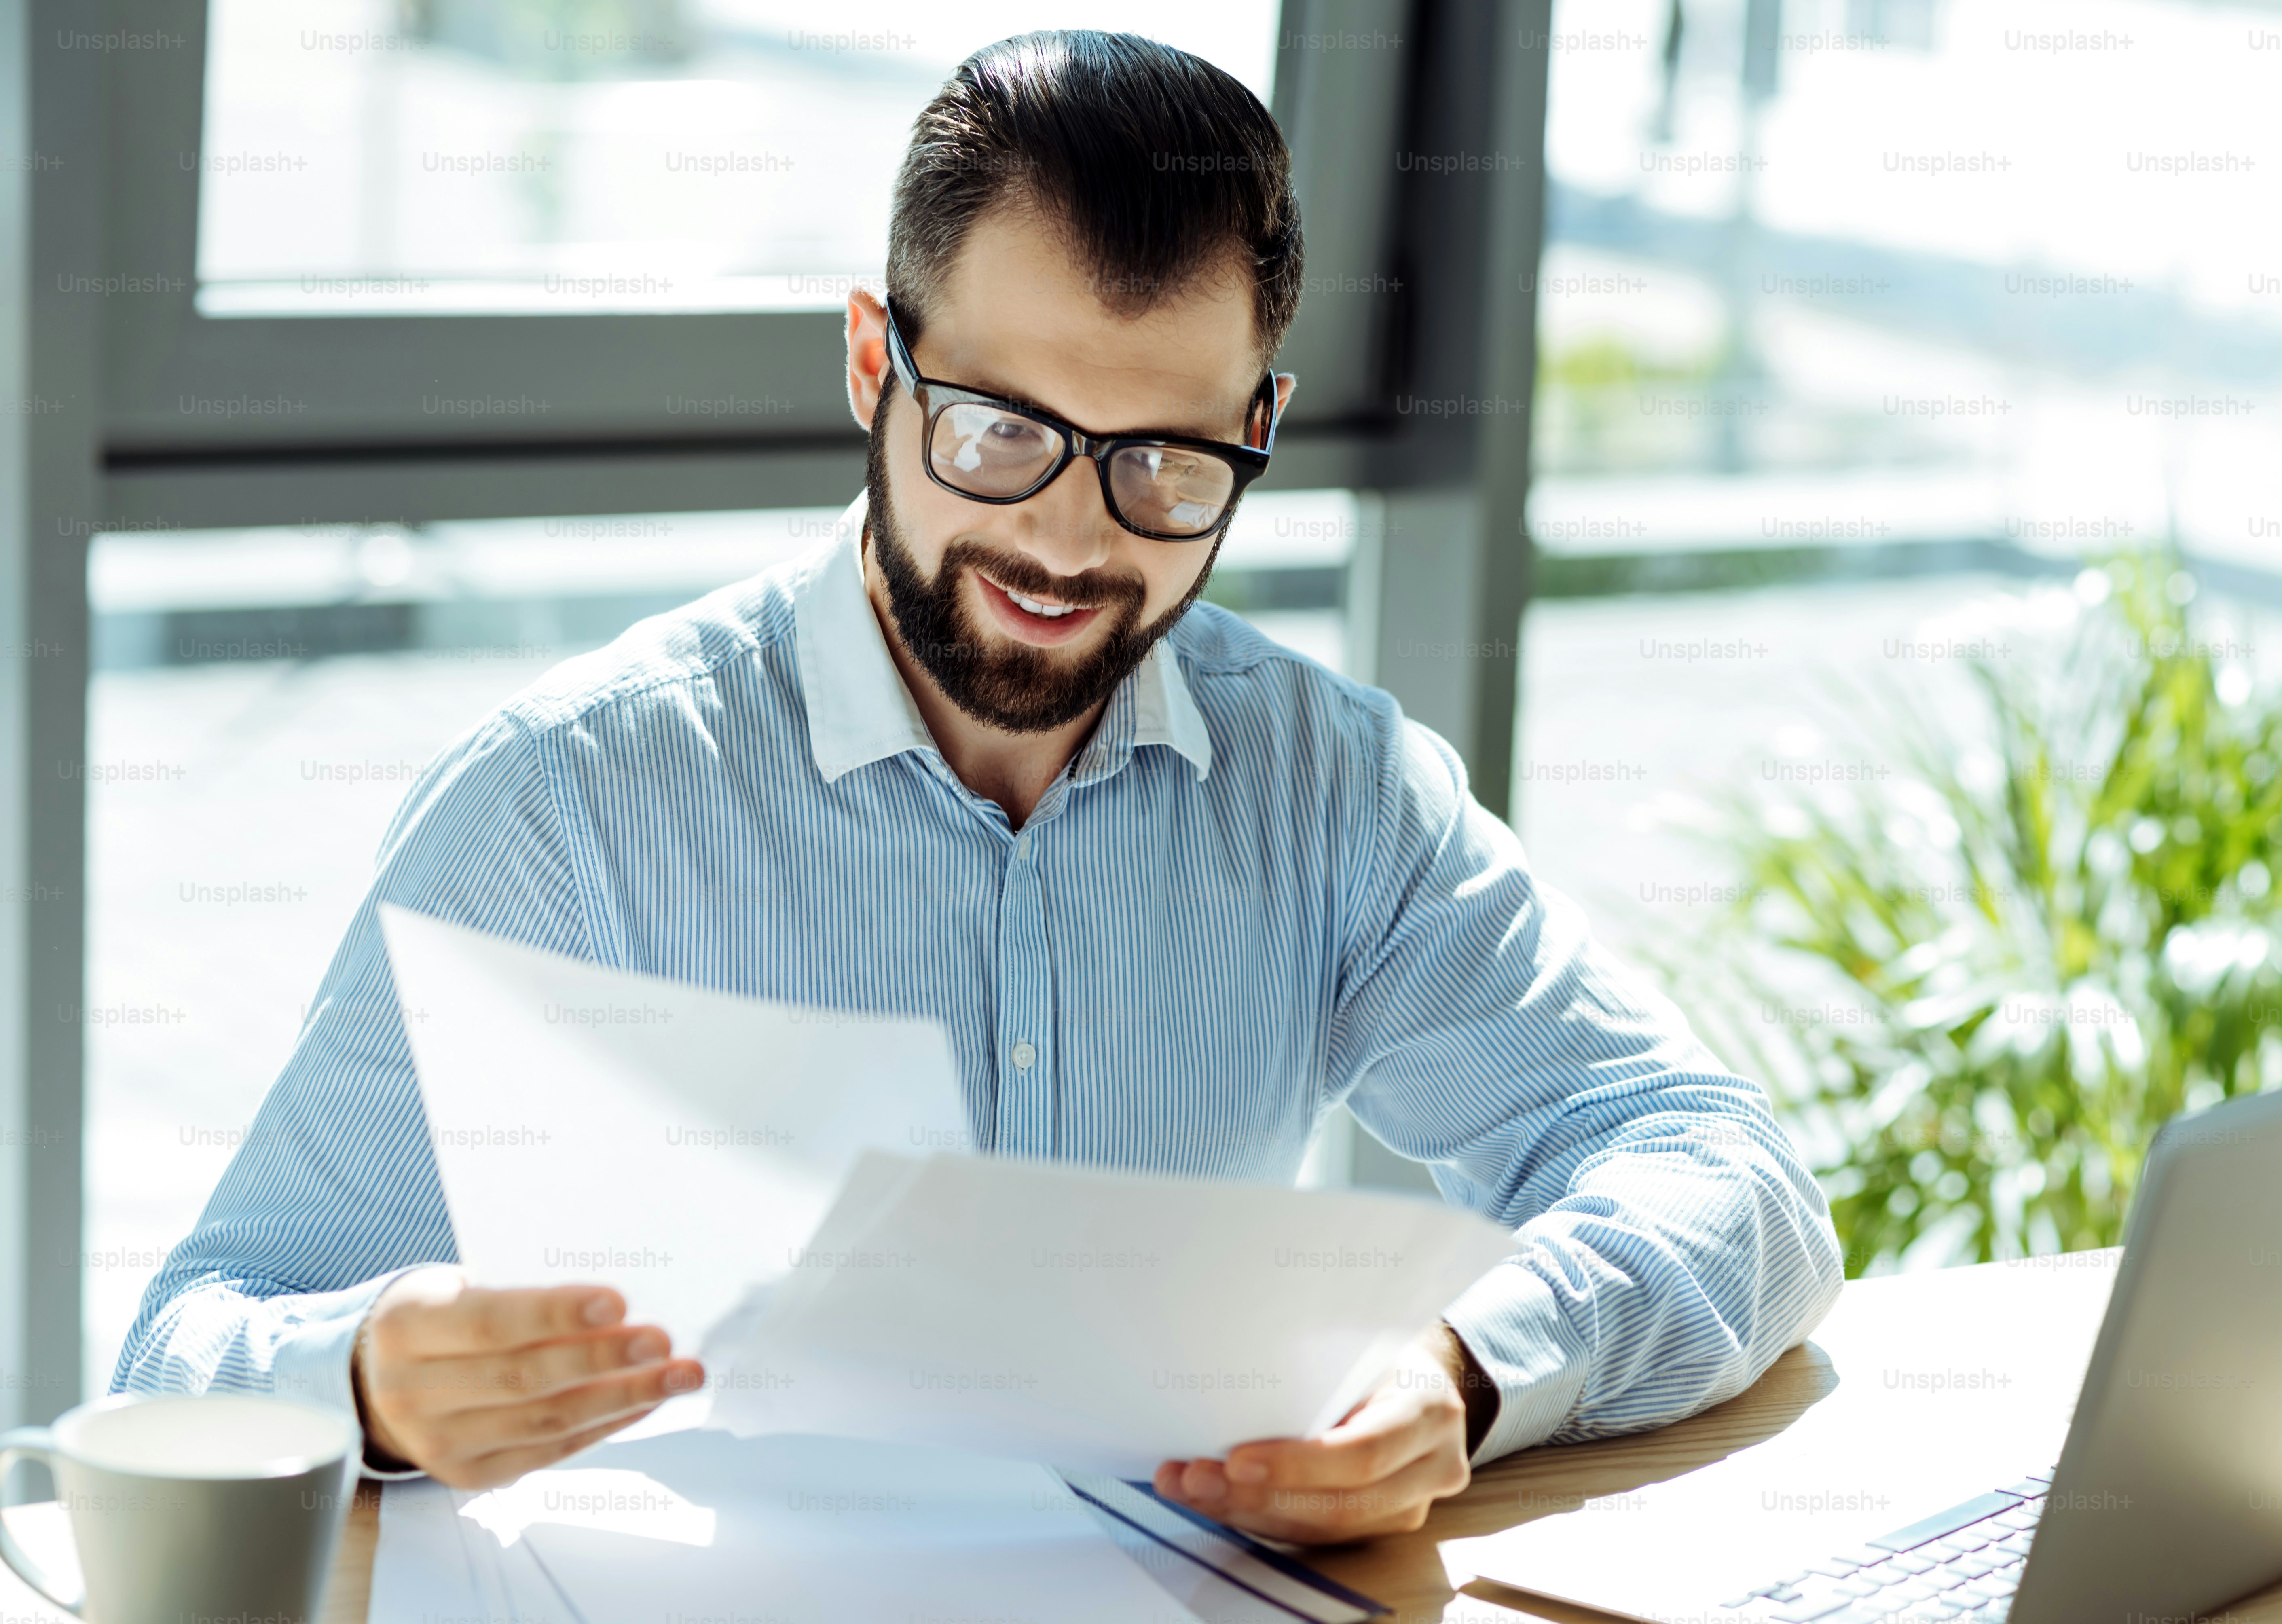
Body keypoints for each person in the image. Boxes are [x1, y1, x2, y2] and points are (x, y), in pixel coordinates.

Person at [117, 30, 1840, 1543]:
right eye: (1002, 432)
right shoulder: (568, 801)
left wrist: (1465, 1370)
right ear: (876, 364)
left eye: (1165, 462)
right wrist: (369, 1378)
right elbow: (188, 1347)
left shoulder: (1329, 788)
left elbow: (1721, 1173)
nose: (1070, 541)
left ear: (1259, 424)